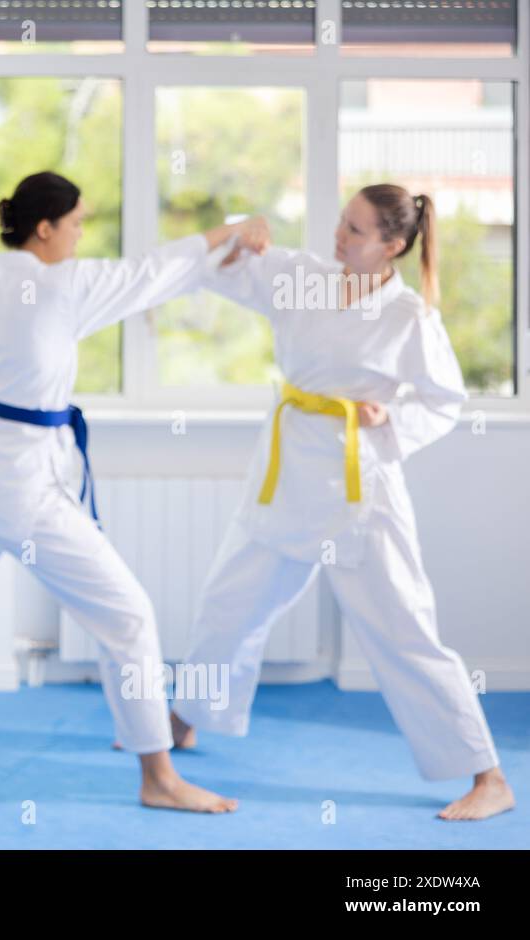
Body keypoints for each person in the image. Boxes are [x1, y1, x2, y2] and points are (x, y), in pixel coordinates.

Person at [0, 171, 266, 813]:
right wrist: (235, 228)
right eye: (77, 223)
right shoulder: (64, 285)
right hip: (24, 490)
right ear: (46, 228)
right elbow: (156, 271)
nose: (82, 236)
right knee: (128, 616)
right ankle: (159, 778)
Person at [171, 184, 514, 821]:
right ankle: (187, 715)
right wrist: (239, 228)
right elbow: (222, 269)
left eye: (356, 231)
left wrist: (390, 415)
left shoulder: (409, 316)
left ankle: (487, 775)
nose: (339, 236)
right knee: (231, 600)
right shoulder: (302, 276)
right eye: (341, 222)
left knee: (405, 631)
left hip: (362, 486)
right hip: (286, 471)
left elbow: (443, 400)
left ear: (392, 245)